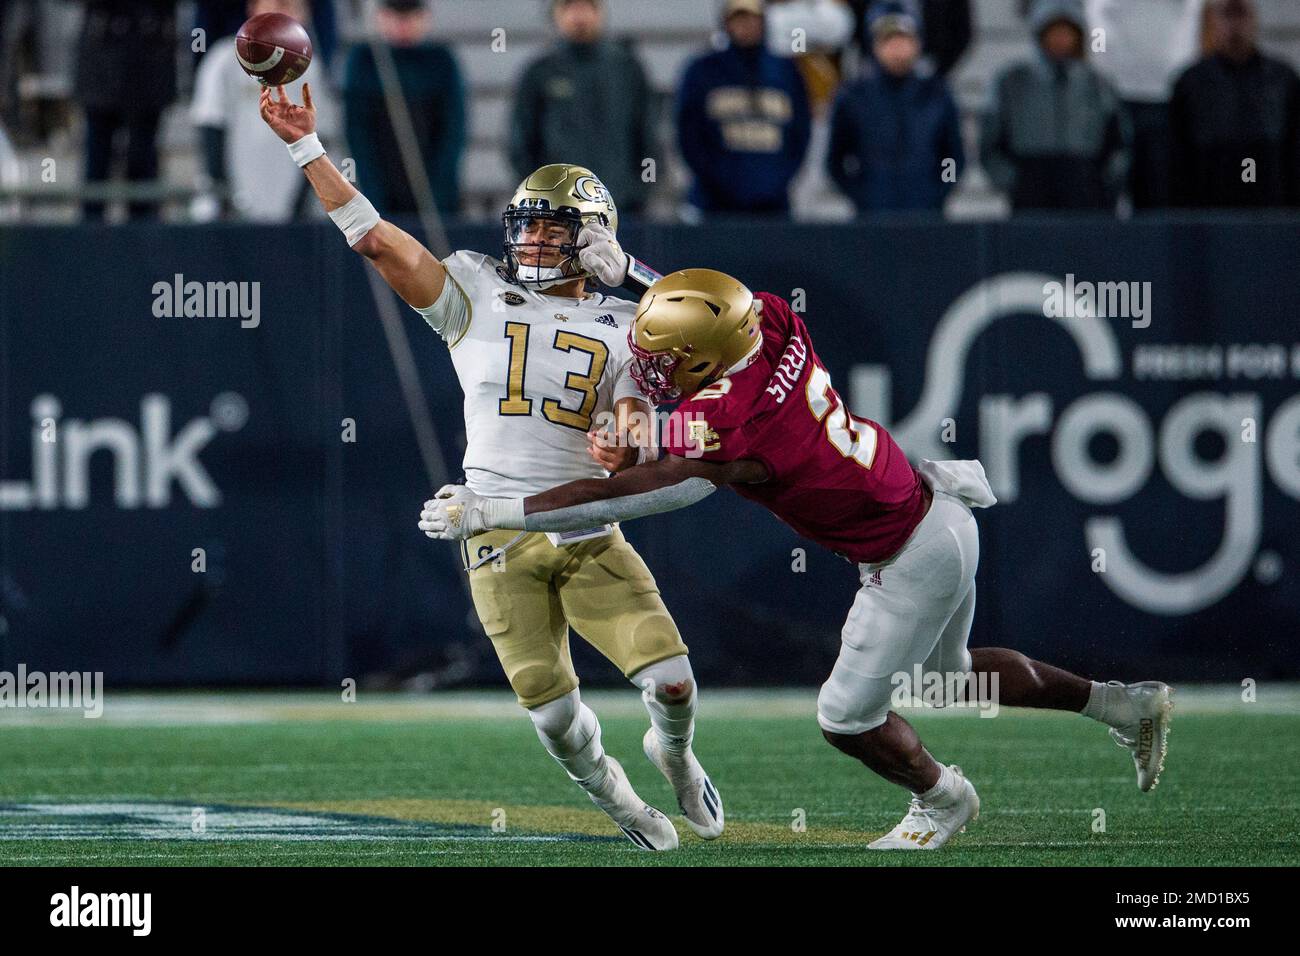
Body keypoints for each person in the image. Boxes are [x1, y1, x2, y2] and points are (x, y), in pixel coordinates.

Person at [421, 268, 1174, 851]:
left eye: (659, 359)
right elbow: (712, 319)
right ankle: (1123, 704)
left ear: (699, 361)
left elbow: (640, 489)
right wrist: (634, 271)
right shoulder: (774, 318)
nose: (645, 368)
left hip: (908, 552)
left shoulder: (725, 429)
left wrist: (499, 510)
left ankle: (943, 799)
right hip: (938, 510)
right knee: (949, 679)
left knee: (846, 719)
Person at [258, 83, 722, 852]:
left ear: (595, 237)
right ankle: (620, 801)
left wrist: (625, 442)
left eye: (552, 230)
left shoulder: (626, 321)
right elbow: (376, 240)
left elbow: (705, 347)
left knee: (672, 683)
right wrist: (307, 146)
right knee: (552, 715)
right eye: (527, 227)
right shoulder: (476, 289)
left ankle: (672, 753)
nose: (533, 243)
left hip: (583, 527)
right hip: (493, 532)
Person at [191, 0, 341, 222]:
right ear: (253, 9)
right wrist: (224, 196)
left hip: (293, 210)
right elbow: (211, 126)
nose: (283, 15)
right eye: (278, 4)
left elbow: (322, 137)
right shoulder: (223, 59)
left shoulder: (311, 69)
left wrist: (300, 202)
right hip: (229, 209)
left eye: (293, 7)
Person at [509, 0, 657, 216]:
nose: (579, 16)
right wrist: (542, 195)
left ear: (600, 12)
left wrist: (638, 193)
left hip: (621, 208)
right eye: (570, 7)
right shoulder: (539, 72)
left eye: (587, 6)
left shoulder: (628, 69)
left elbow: (647, 136)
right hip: (557, 212)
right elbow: (521, 143)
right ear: (556, 15)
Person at [981, 0, 1130, 211]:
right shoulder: (1013, 82)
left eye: (1067, 32)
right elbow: (991, 141)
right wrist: (1016, 182)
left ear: (1078, 35)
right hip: (1031, 199)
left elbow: (1119, 143)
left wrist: (1103, 182)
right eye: (1053, 32)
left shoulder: (1098, 84)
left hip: (1086, 197)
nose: (1060, 40)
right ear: (1040, 34)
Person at [676, 0, 812, 217]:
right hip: (714, 205)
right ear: (726, 23)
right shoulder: (702, 71)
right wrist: (716, 181)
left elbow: (800, 135)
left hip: (772, 204)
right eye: (738, 18)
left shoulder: (787, 71)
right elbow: (689, 137)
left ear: (763, 21)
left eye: (752, 18)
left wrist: (775, 182)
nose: (746, 25)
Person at [827, 1, 964, 212]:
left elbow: (952, 157)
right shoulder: (853, 96)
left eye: (904, 38)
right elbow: (836, 161)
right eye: (888, 40)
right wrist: (861, 195)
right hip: (872, 218)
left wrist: (937, 192)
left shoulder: (937, 94)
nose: (897, 48)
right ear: (874, 45)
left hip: (926, 218)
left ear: (918, 43)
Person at [1169, 0, 1300, 208]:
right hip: (1209, 205)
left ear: (1254, 19)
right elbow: (1178, 156)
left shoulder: (1282, 78)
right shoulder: (1191, 82)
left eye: (1241, 14)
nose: (1235, 25)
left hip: (1270, 204)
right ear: (1213, 21)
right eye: (1227, 15)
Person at [342, 0, 465, 217]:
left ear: (425, 17)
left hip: (435, 196)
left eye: (411, 16)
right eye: (395, 16)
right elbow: (358, 133)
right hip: (381, 192)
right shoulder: (365, 61)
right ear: (380, 17)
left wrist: (437, 197)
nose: (403, 25)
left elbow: (452, 131)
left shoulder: (441, 60)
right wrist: (373, 196)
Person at [1083, 0, 1203, 209]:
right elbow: (1096, 28)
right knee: (1107, 186)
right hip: (1111, 95)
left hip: (1168, 97)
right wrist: (1097, 62)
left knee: (1161, 189)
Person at [74, 0, 177, 221]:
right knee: (96, 165)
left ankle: (146, 238)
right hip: (101, 57)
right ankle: (88, 240)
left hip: (150, 58)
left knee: (143, 161)